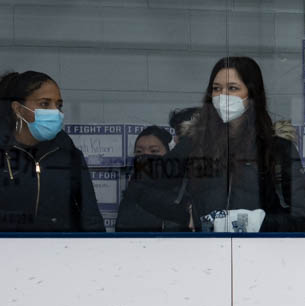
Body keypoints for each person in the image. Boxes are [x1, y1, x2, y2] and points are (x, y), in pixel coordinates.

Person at [132, 57, 305, 233]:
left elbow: (301, 217)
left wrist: (256, 223)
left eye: (232, 88)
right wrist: (184, 213)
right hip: (204, 253)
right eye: (216, 89)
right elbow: (141, 186)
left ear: (252, 94)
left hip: (260, 256)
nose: (222, 96)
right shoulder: (194, 145)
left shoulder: (277, 149)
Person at [0, 70, 104, 233]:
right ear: (18, 109)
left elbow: (90, 217)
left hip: (60, 253)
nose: (55, 112)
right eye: (44, 104)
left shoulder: (69, 154)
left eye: (59, 105)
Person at [116, 125, 182, 233]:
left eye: (154, 151)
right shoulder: (131, 194)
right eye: (139, 152)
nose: (145, 157)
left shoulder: (180, 192)